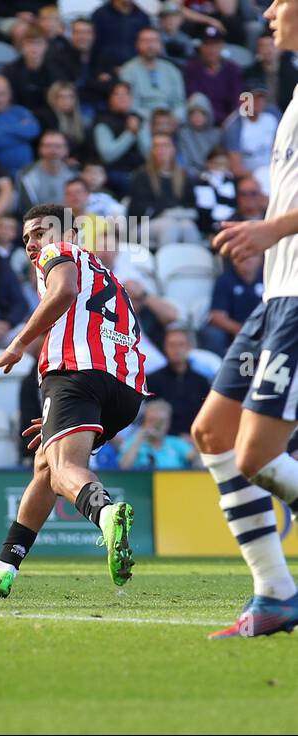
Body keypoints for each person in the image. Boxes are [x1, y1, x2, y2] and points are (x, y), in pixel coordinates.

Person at [188, 0, 298, 637]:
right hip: (275, 296)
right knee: (212, 433)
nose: (269, 10)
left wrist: (268, 229)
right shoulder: (292, 95)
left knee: (256, 453)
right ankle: (276, 593)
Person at [0, 203, 148, 599]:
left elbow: (63, 291)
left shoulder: (60, 253)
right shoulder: (110, 279)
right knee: (45, 467)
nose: (33, 244)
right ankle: (3, 568)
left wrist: (18, 346)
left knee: (65, 465)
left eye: (40, 232)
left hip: (75, 373)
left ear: (66, 232)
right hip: (125, 388)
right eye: (26, 239)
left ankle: (106, 513)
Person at [145, 327, 211, 435]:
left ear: (189, 347)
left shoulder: (202, 382)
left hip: (194, 441)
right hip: (161, 441)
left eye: (181, 344)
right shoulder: (152, 380)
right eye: (172, 345)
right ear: (165, 347)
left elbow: (207, 416)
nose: (176, 350)